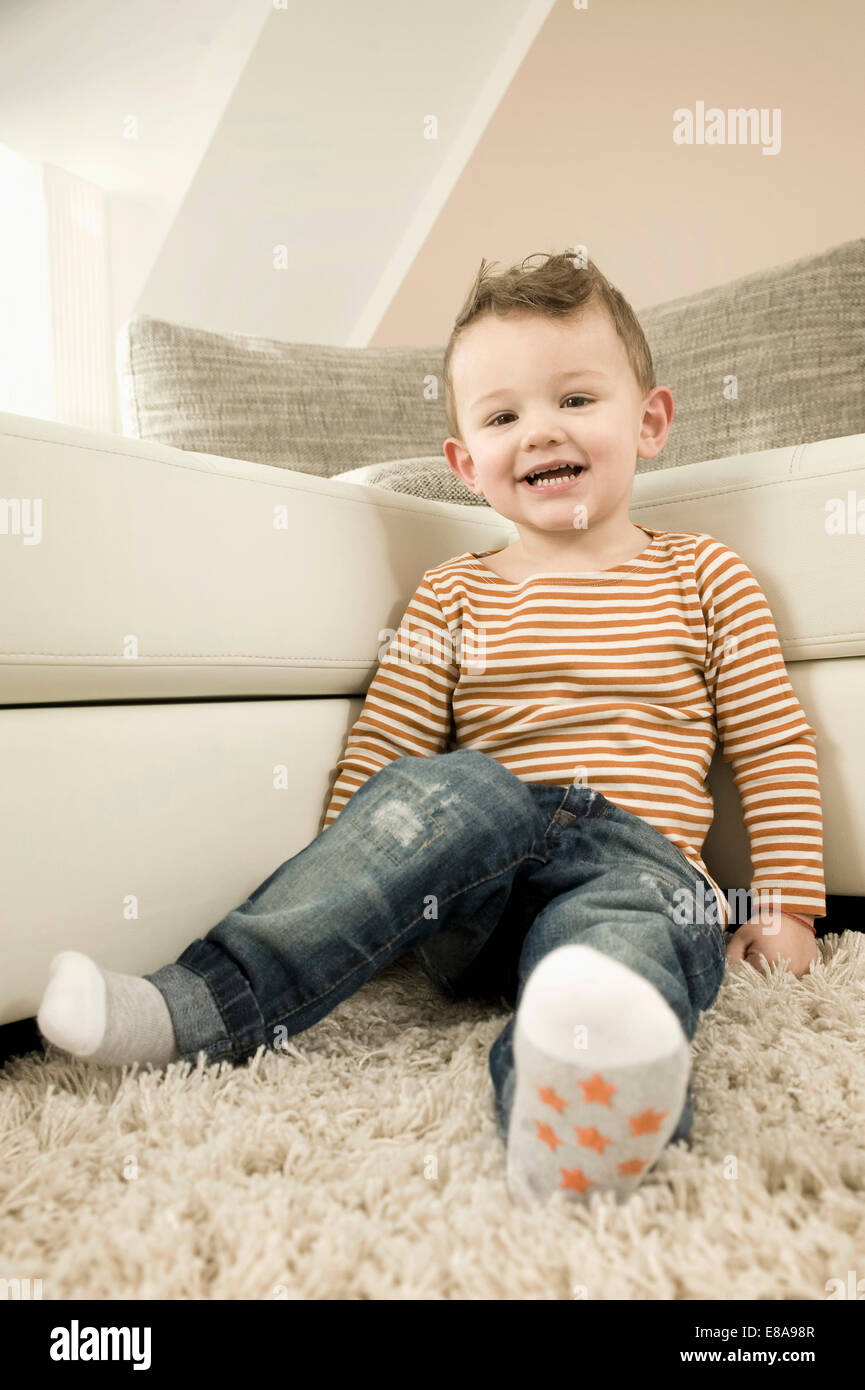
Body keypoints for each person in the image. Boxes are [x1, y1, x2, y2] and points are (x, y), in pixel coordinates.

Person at [37, 251, 826, 1208]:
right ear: (465, 465)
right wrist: (362, 885)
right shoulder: (450, 594)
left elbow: (772, 744)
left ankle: (583, 1090)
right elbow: (386, 765)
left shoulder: (705, 574)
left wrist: (783, 907)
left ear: (648, 421)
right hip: (477, 882)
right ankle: (198, 1003)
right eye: (502, 417)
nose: (540, 431)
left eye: (575, 399)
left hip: (641, 862)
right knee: (457, 789)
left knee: (625, 942)